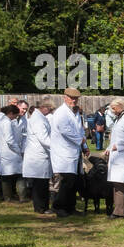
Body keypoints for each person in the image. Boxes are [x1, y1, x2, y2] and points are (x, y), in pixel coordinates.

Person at [49, 87, 86, 218]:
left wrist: (84, 146)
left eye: (76, 98)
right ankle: (59, 207)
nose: (74, 100)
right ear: (65, 97)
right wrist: (80, 141)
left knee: (74, 182)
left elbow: (81, 131)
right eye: (71, 98)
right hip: (63, 152)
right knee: (67, 181)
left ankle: (71, 207)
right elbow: (65, 130)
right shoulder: (61, 113)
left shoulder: (75, 113)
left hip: (74, 152)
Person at [22, 97, 54, 214]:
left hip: (40, 156)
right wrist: (56, 147)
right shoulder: (37, 120)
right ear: (43, 107)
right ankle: (40, 208)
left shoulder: (40, 118)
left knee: (43, 183)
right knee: (39, 184)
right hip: (38, 157)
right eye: (50, 109)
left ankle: (43, 206)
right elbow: (44, 139)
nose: (50, 112)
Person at [0, 104, 23, 201]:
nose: (15, 118)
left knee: (7, 174)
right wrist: (18, 150)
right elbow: (9, 139)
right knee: (8, 175)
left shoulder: (1, 120)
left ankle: (9, 196)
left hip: (3, 151)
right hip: (9, 152)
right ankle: (8, 197)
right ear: (11, 113)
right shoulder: (6, 122)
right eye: (15, 115)